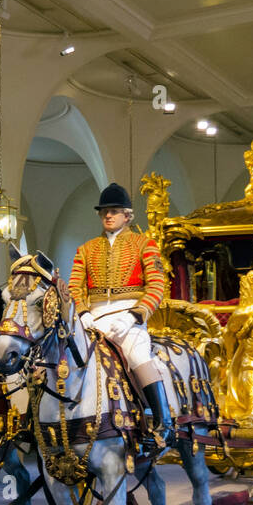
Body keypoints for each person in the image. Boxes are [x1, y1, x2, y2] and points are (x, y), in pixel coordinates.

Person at [68, 182, 173, 448]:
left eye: (114, 211)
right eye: (104, 212)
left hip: (129, 317)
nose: (108, 216)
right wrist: (82, 312)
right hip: (94, 317)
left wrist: (134, 316)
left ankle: (163, 420)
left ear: (127, 215)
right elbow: (74, 286)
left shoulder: (144, 244)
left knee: (138, 356)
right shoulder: (86, 249)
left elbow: (157, 285)